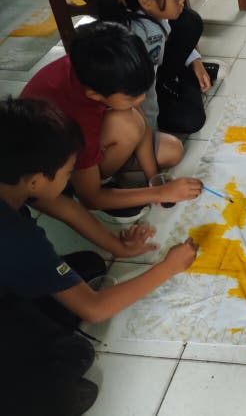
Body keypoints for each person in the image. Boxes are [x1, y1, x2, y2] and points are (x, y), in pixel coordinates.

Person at [0, 97, 198, 415]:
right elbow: (94, 309)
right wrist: (168, 267)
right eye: (67, 174)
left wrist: (119, 248)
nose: (71, 181)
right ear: (36, 180)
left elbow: (63, 208)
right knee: (74, 354)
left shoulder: (10, 183)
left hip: (12, 269)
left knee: (89, 267)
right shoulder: (14, 237)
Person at [20, 21, 203, 222]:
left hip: (91, 137)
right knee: (127, 124)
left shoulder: (103, 70)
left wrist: (155, 180)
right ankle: (95, 182)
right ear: (95, 95)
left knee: (172, 150)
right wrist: (160, 194)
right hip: (54, 167)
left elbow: (139, 119)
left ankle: (109, 171)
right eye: (132, 97)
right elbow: (91, 199)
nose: (141, 99)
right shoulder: (76, 117)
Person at [98, 0, 220, 135]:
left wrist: (195, 60)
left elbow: (172, 35)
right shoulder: (142, 37)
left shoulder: (150, 15)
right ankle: (179, 81)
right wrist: (151, 134)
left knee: (190, 21)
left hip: (157, 75)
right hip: (141, 95)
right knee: (191, 120)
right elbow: (146, 97)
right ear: (146, 1)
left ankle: (182, 76)